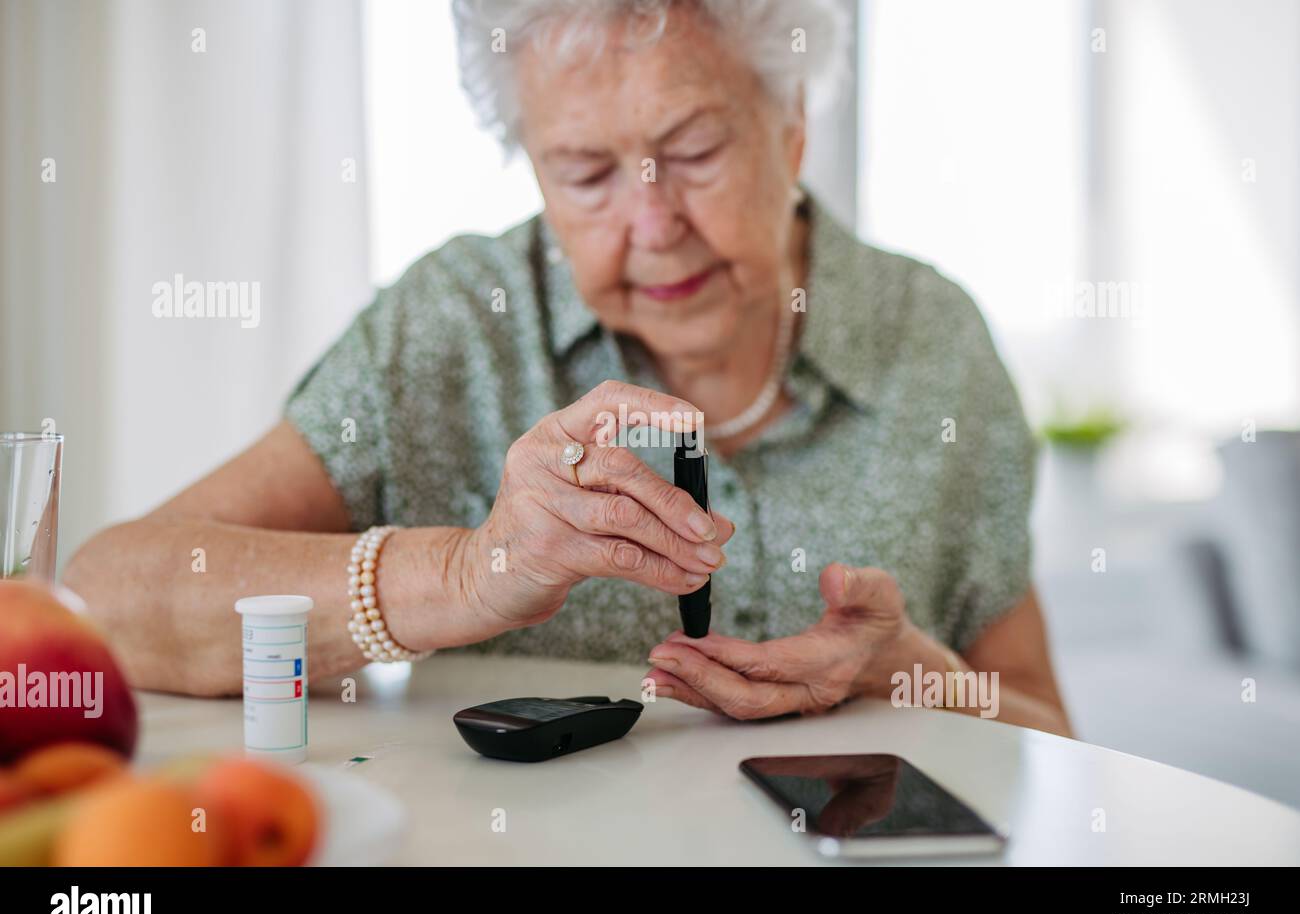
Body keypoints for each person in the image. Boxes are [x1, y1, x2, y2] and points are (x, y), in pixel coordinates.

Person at [65, 0, 1072, 737]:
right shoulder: (452, 328)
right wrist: (465, 571)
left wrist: (910, 673)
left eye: (694, 150)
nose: (651, 224)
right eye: (586, 174)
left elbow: (1049, 736)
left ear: (792, 121)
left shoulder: (933, 340)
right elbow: (105, 599)